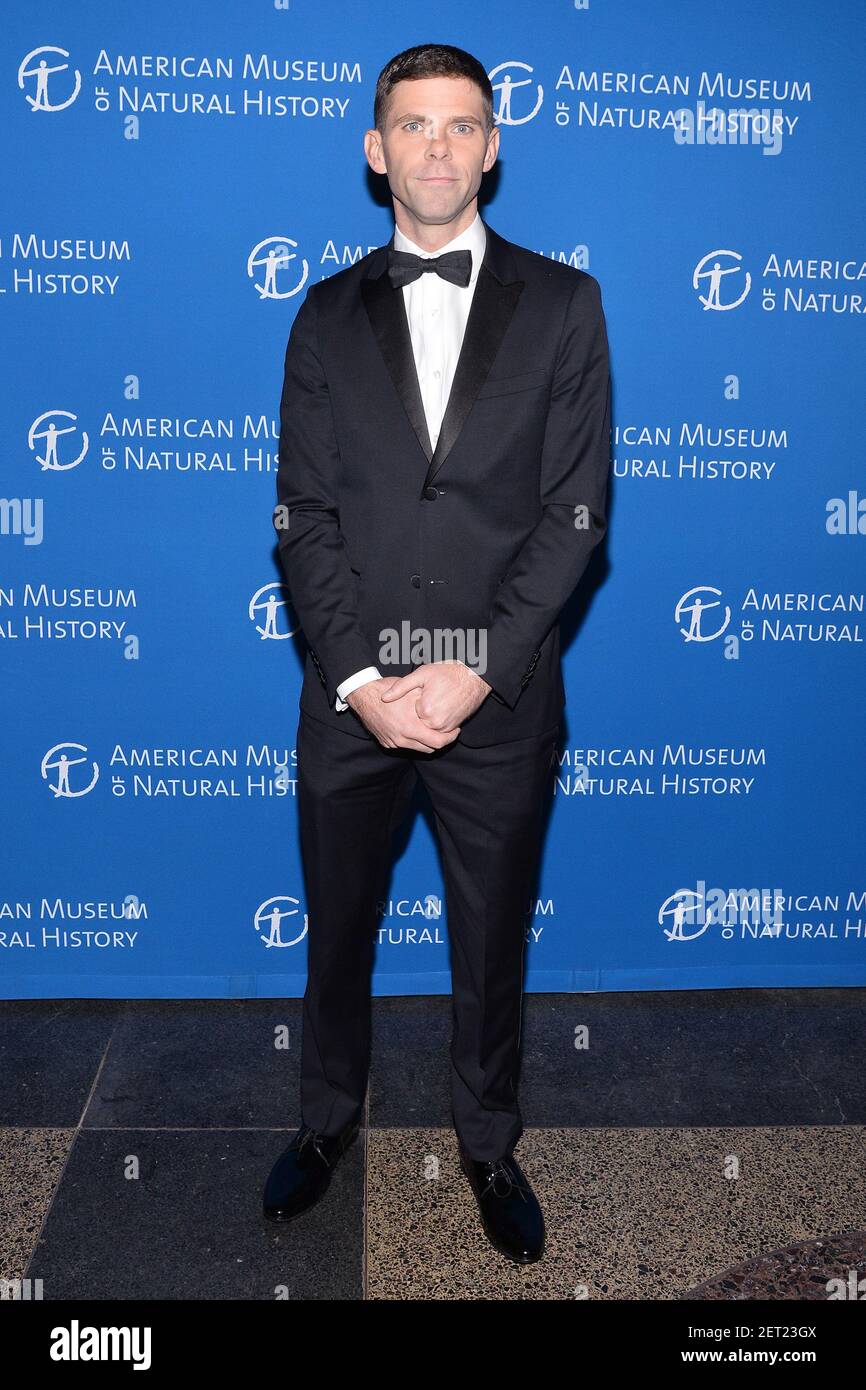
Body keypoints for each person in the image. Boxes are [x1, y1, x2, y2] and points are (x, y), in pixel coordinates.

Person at [263, 42, 611, 1266]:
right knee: (337, 925)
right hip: (346, 696)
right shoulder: (319, 315)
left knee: (489, 932)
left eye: (460, 125)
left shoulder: (565, 306)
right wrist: (361, 681)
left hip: (497, 696)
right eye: (412, 126)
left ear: (493, 144)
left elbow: (574, 515)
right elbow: (305, 512)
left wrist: (473, 669)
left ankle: (487, 1140)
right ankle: (322, 1123)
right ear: (374, 150)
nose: (435, 147)